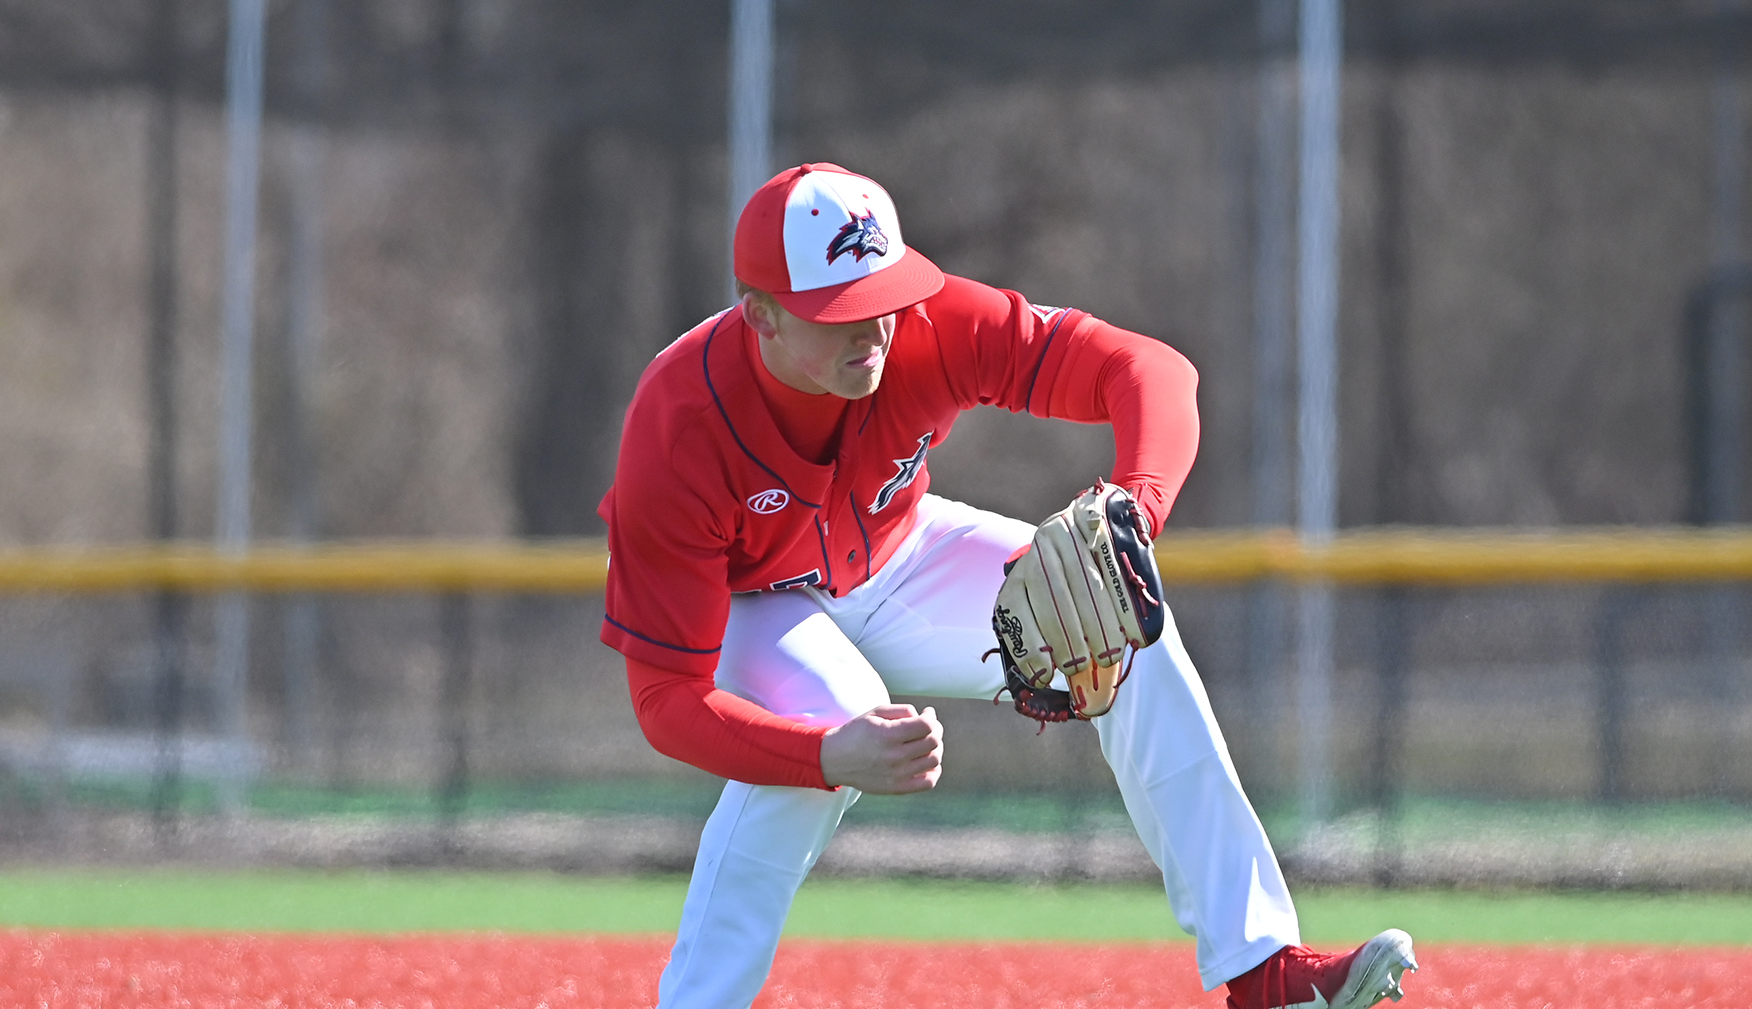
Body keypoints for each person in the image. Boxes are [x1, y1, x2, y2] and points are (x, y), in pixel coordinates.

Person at [598, 162, 1417, 1009]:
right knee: (828, 714)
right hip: (756, 599)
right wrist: (822, 756)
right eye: (838, 313)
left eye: (881, 295)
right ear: (759, 315)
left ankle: (1263, 971)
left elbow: (1149, 370)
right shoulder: (678, 424)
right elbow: (667, 701)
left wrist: (1133, 510)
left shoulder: (927, 323)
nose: (873, 331)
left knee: (1124, 624)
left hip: (898, 550)